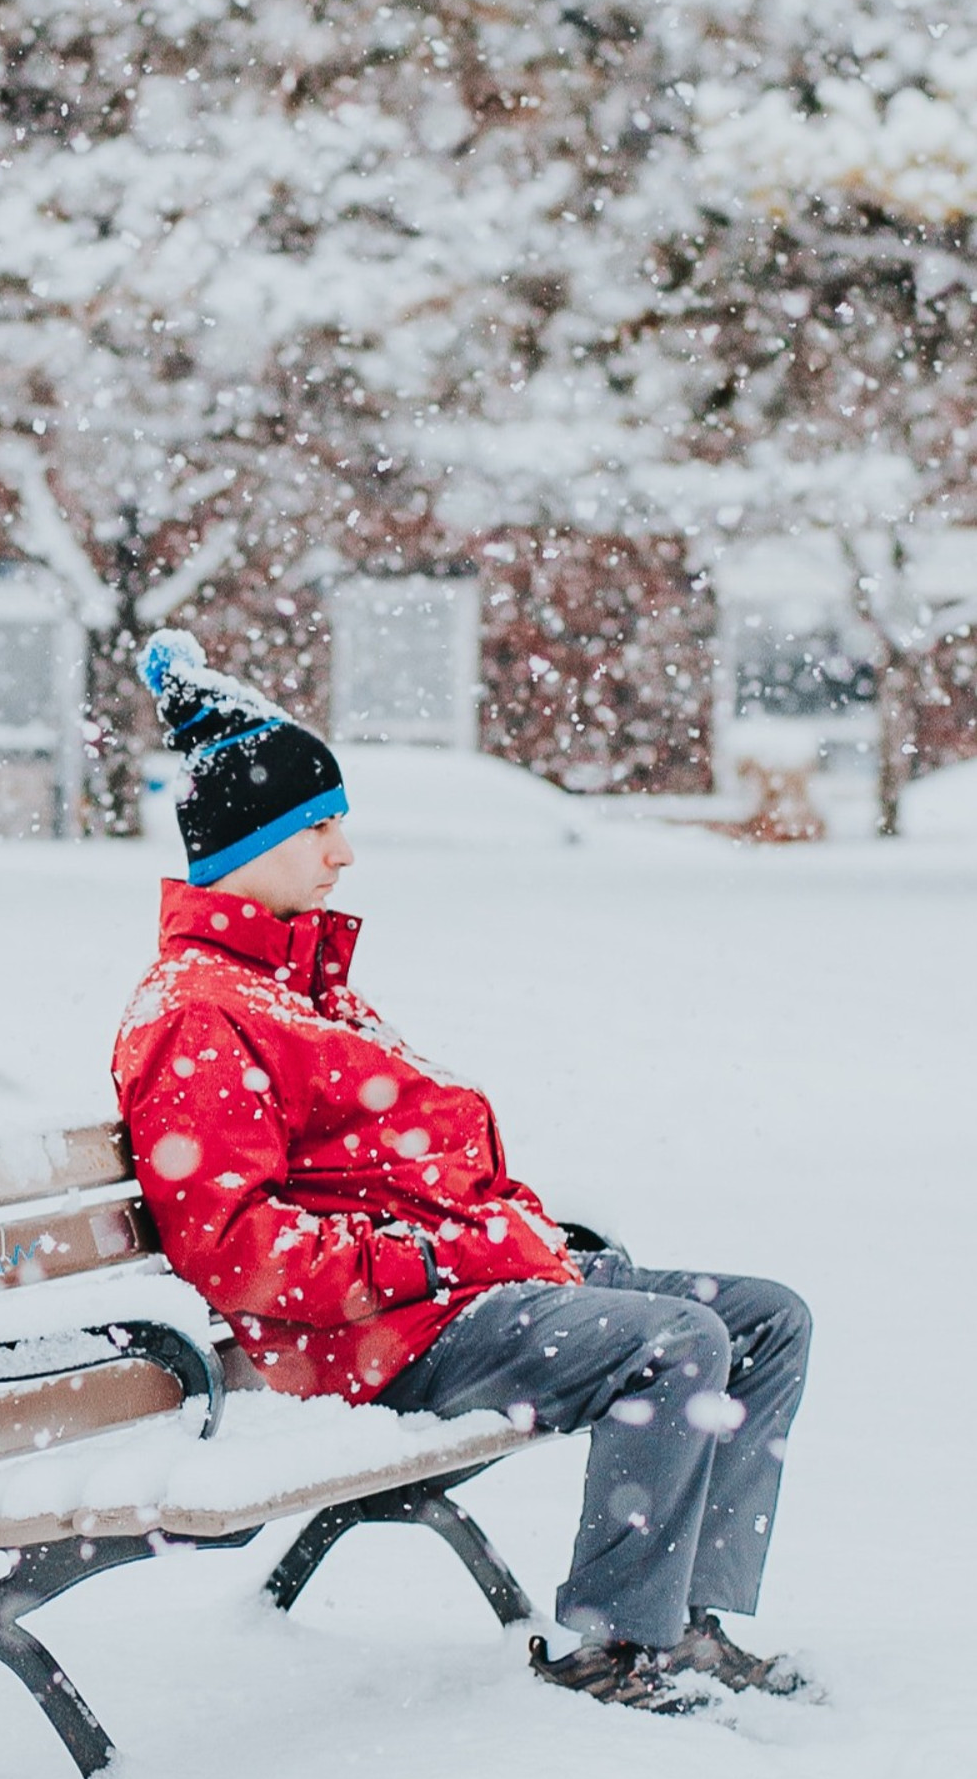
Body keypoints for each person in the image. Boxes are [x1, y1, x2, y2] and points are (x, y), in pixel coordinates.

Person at [112, 629, 813, 1712]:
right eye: (319, 827)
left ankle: (681, 1623)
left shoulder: (297, 988)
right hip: (372, 1340)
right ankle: (610, 1650)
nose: (341, 853)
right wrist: (448, 1255)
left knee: (765, 1318)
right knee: (677, 1343)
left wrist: (511, 1239)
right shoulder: (200, 1016)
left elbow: (408, 1162)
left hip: (457, 1293)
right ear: (251, 840)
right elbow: (239, 1255)